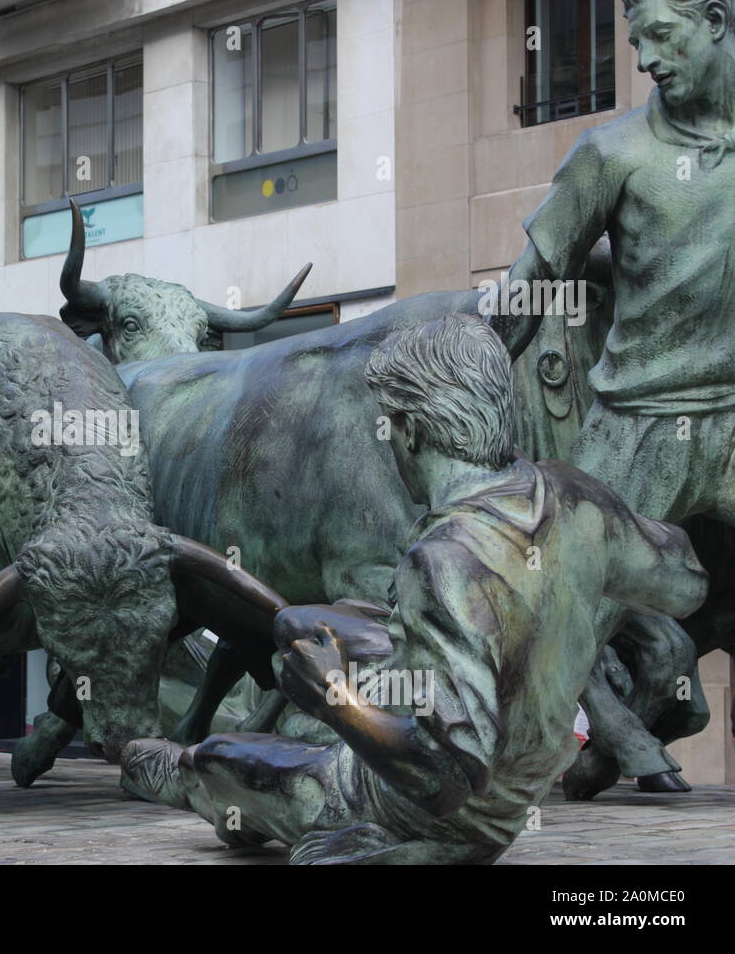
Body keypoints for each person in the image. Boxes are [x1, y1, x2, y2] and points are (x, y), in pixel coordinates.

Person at [120, 315, 706, 864]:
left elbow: (446, 775)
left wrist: (335, 697)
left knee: (225, 760)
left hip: (442, 818)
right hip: (511, 760)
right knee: (297, 624)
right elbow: (685, 585)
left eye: (389, 425)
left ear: (413, 430)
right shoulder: (574, 495)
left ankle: (189, 777)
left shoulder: (443, 562)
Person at [488, 0, 735, 796]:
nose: (646, 59)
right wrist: (472, 389)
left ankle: (617, 741)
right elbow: (529, 287)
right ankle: (497, 782)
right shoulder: (611, 153)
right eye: (637, 43)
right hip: (636, 420)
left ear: (717, 21)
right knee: (567, 613)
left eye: (661, 36)